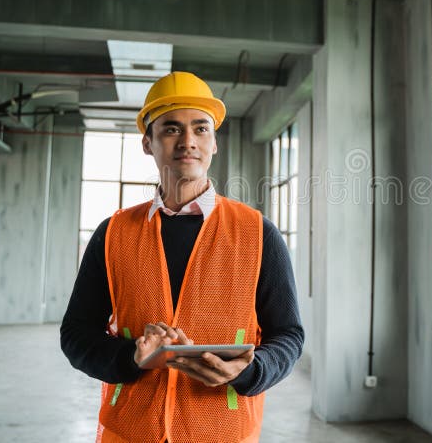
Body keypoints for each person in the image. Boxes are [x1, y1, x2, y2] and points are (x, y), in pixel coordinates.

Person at [61, 71, 304, 443]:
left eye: (201, 128)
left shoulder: (258, 234)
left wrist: (250, 372)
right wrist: (131, 359)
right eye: (171, 128)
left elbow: (288, 335)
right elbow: (76, 335)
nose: (188, 141)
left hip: (223, 432)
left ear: (214, 142)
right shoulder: (112, 234)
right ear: (148, 142)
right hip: (129, 432)